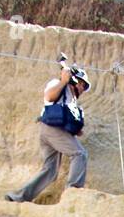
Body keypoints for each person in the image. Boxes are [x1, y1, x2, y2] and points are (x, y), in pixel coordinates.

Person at [6, 55, 91, 203]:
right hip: (52, 129)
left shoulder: (71, 99)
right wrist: (64, 80)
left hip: (52, 131)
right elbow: (49, 97)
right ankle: (73, 192)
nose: (83, 88)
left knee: (50, 170)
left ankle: (18, 197)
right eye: (82, 84)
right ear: (75, 80)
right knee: (80, 154)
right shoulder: (59, 85)